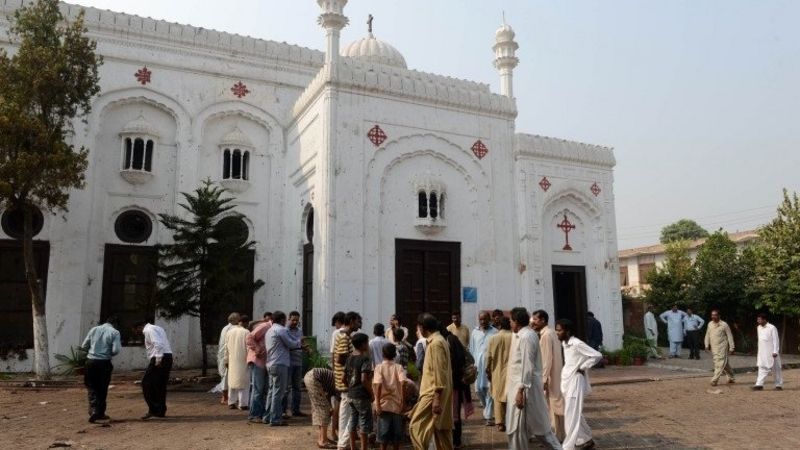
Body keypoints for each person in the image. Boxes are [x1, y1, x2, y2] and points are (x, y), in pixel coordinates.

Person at [505, 308, 561, 450]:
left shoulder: (527, 337)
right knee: (517, 430)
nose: (510, 324)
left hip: (526, 391)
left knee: (541, 431)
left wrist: (520, 390)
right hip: (518, 389)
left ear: (516, 322)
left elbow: (527, 365)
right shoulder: (519, 335)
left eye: (511, 321)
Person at [409, 313, 453, 450]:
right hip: (436, 392)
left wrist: (436, 398)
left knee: (416, 427)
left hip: (433, 393)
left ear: (422, 327)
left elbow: (439, 371)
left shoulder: (436, 344)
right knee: (441, 430)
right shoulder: (438, 341)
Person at [557, 319, 602, 450]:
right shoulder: (565, 343)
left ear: (567, 331)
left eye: (559, 330)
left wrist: (583, 366)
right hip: (567, 381)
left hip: (575, 381)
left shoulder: (576, 343)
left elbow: (597, 355)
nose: (557, 332)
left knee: (571, 415)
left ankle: (568, 446)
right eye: (557, 329)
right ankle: (586, 439)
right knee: (574, 413)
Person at [265, 311, 304, 426]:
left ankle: (267, 416)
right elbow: (291, 344)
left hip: (271, 363)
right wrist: (300, 342)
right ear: (283, 320)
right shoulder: (281, 330)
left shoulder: (270, 330)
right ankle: (275, 419)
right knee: (278, 392)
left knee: (272, 391)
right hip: (279, 363)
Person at [531, 310, 565, 441]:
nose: (533, 322)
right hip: (556, 375)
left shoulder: (545, 335)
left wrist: (544, 379)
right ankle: (559, 436)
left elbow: (546, 360)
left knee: (551, 407)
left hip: (550, 376)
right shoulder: (551, 332)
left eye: (535, 319)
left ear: (543, 320)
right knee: (555, 406)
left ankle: (555, 436)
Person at [81, 316, 121, 423]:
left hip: (90, 362)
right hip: (104, 363)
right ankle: (100, 412)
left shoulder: (93, 329)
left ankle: (93, 410)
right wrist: (107, 353)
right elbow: (116, 350)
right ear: (115, 324)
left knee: (91, 386)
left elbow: (84, 346)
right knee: (102, 387)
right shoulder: (115, 332)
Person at [335, 311, 362, 450]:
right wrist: (355, 360)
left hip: (344, 381)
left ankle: (342, 443)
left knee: (345, 414)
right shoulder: (344, 337)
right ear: (351, 321)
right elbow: (340, 359)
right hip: (346, 382)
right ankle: (343, 443)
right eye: (358, 322)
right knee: (352, 413)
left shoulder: (345, 336)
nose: (359, 325)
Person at [443, 327, 472, 449]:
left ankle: (455, 441)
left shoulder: (447, 342)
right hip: (459, 384)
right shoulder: (456, 341)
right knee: (455, 414)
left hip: (453, 384)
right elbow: (470, 358)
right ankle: (456, 440)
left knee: (453, 414)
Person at [373, 343, 407, 450]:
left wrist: (377, 404)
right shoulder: (399, 367)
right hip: (396, 406)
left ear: (382, 354)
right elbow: (403, 383)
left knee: (383, 437)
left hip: (383, 406)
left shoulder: (379, 368)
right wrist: (403, 401)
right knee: (397, 437)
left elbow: (378, 385)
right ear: (394, 355)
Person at [345, 332, 374, 450]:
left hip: (351, 394)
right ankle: (363, 448)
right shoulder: (365, 358)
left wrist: (350, 387)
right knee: (364, 423)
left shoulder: (349, 358)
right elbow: (364, 379)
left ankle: (353, 447)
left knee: (352, 421)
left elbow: (343, 378)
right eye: (367, 342)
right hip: (362, 396)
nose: (368, 345)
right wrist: (372, 394)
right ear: (362, 344)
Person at [139, 321, 173, 420]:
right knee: (160, 385)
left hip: (160, 357)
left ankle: (154, 409)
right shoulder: (158, 328)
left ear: (139, 327)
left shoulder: (148, 330)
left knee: (147, 383)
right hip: (167, 356)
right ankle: (160, 410)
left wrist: (158, 360)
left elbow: (158, 344)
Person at [469, 311, 497, 426]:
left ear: (489, 319)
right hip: (477, 365)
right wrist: (472, 364)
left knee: (490, 389)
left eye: (485, 319)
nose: (483, 321)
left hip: (490, 365)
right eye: (480, 319)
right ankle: (487, 409)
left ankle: (488, 416)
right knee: (478, 389)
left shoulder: (495, 332)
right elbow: (471, 348)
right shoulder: (475, 332)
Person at [486, 316, 512, 432]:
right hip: (511, 372)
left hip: (496, 372)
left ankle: (500, 423)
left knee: (497, 397)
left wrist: (488, 371)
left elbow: (489, 357)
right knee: (510, 397)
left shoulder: (493, 339)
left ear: (499, 326)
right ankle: (511, 420)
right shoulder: (514, 337)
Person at [246, 314, 272, 423]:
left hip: (265, 361)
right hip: (257, 360)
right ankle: (254, 415)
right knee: (258, 389)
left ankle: (260, 413)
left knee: (263, 389)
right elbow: (249, 337)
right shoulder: (265, 326)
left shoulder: (272, 328)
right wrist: (257, 348)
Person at [304, 367, 339, 449]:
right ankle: (323, 441)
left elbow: (328, 396)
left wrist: (330, 408)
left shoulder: (336, 384)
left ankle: (322, 438)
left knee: (321, 409)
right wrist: (334, 433)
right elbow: (336, 413)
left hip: (309, 376)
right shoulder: (340, 389)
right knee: (324, 410)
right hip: (315, 378)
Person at [223, 315, 251, 410]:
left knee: (232, 382)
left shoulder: (229, 332)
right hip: (243, 360)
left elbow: (226, 348)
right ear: (245, 323)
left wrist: (226, 360)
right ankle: (243, 403)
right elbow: (249, 347)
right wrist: (250, 359)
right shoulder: (246, 332)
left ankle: (231, 402)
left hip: (232, 360)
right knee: (244, 382)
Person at [703, 309, 735, 387]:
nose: (713, 317)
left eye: (715, 315)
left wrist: (732, 348)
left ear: (719, 316)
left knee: (719, 364)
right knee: (725, 364)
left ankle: (714, 380)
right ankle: (731, 377)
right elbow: (707, 335)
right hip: (714, 348)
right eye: (712, 315)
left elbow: (730, 336)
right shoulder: (710, 324)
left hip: (722, 348)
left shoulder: (724, 325)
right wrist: (706, 345)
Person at [752, 313, 782, 391]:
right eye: (757, 319)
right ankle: (759, 384)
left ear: (764, 319)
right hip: (762, 352)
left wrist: (775, 351)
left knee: (776, 369)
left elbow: (776, 340)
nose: (758, 321)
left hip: (772, 352)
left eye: (759, 319)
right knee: (761, 367)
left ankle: (778, 385)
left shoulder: (772, 328)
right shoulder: (758, 328)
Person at [284, 311, 306, 417]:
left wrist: (305, 348)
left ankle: (295, 410)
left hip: (298, 361)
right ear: (289, 319)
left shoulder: (299, 331)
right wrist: (298, 345)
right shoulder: (284, 331)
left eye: (297, 320)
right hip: (288, 362)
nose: (295, 322)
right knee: (286, 388)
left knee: (297, 387)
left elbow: (301, 343)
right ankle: (283, 410)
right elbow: (289, 344)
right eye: (293, 320)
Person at [216, 312, 240, 404]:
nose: (240, 321)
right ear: (234, 320)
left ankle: (227, 396)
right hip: (227, 356)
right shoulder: (233, 328)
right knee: (226, 377)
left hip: (223, 355)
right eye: (238, 319)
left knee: (225, 376)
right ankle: (225, 397)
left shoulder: (225, 328)